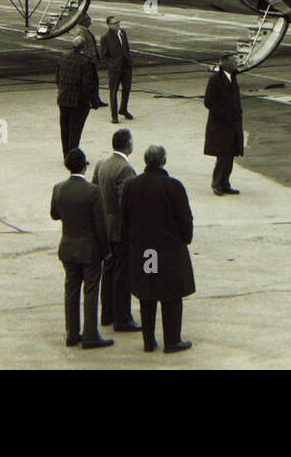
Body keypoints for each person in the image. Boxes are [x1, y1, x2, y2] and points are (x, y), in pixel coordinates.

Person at [120, 144, 194, 353]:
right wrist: (185, 239)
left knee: (148, 291)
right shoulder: (173, 186)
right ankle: (172, 340)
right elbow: (185, 219)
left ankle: (148, 340)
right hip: (168, 251)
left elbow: (125, 219)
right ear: (163, 161)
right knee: (171, 295)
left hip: (146, 252)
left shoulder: (132, 186)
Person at [49, 147, 113, 350]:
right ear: (84, 166)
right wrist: (107, 250)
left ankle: (72, 333)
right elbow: (101, 225)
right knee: (91, 291)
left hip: (68, 247)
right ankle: (90, 334)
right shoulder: (93, 192)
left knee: (71, 290)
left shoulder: (58, 188)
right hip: (90, 249)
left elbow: (55, 214)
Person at [91, 127, 140, 332]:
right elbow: (128, 202)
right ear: (128, 145)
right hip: (120, 229)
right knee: (122, 274)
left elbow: (94, 191)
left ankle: (107, 314)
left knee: (108, 271)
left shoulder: (102, 165)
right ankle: (122, 318)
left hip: (104, 226)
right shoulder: (125, 169)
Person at [203, 53, 243, 196]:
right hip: (221, 125)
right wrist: (223, 115)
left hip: (233, 123)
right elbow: (208, 102)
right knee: (223, 156)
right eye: (233, 61)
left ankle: (225, 183)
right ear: (225, 64)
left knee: (230, 154)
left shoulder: (232, 78)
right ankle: (217, 183)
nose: (236, 64)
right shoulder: (215, 79)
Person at [56, 35, 96, 158]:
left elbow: (57, 78)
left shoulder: (63, 58)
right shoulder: (86, 62)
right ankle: (73, 157)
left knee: (65, 128)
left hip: (63, 98)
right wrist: (93, 101)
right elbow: (88, 85)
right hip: (78, 101)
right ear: (83, 47)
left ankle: (66, 155)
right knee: (75, 130)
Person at [100, 15, 134, 123]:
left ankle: (123, 109)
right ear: (109, 25)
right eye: (114, 23)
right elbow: (103, 56)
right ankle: (114, 116)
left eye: (118, 22)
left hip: (126, 67)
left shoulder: (123, 33)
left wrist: (129, 61)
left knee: (126, 89)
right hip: (115, 69)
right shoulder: (105, 38)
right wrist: (111, 65)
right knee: (113, 92)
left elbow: (126, 48)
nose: (117, 25)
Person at [76, 16, 106, 111]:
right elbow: (82, 47)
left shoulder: (84, 31)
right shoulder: (82, 32)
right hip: (88, 61)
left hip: (91, 60)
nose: (90, 23)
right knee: (90, 82)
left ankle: (95, 100)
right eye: (89, 21)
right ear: (84, 22)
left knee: (93, 81)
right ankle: (92, 101)